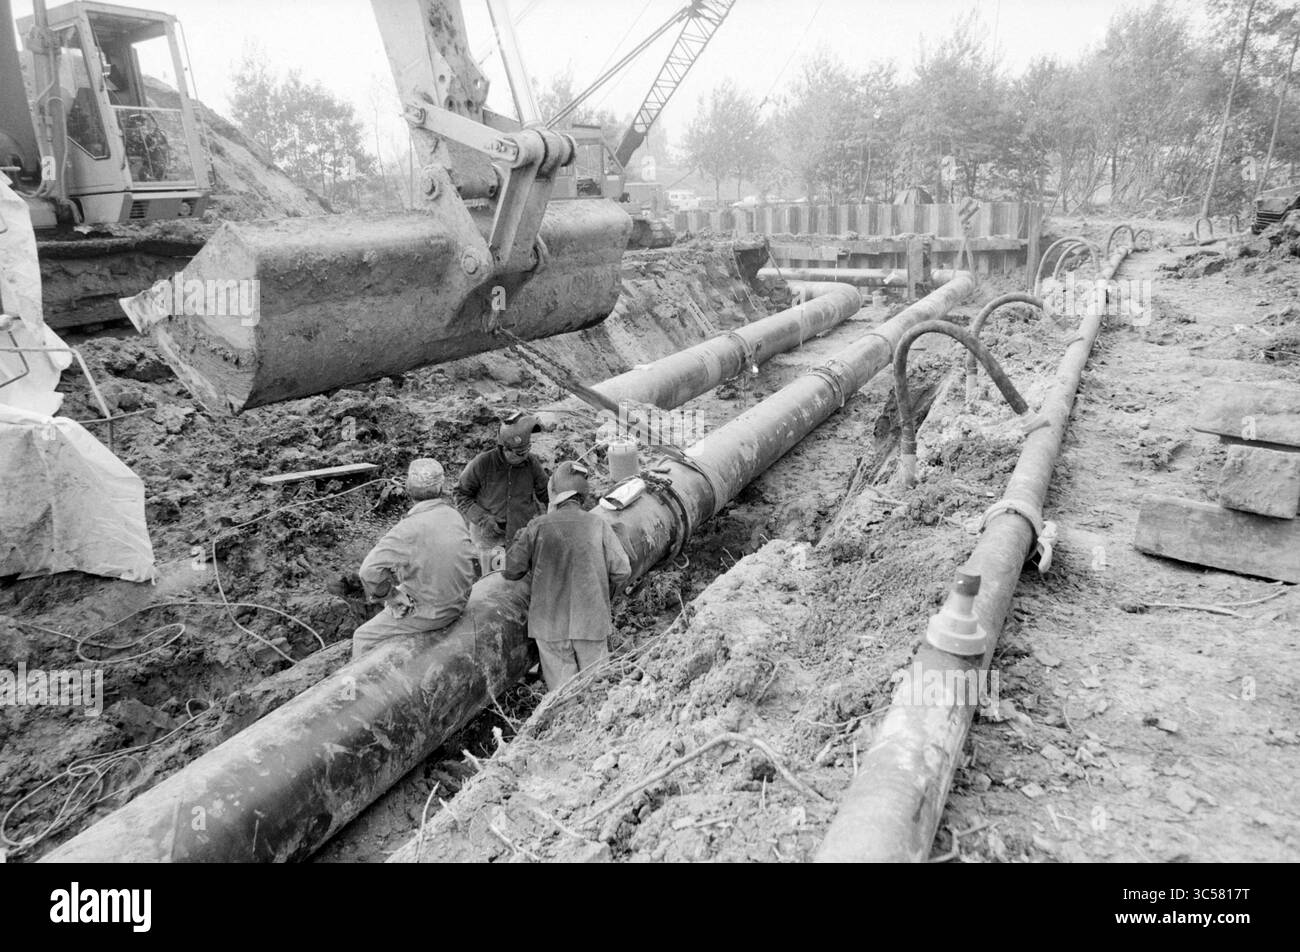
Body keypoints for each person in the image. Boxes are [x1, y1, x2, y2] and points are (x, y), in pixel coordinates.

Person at [503, 461, 632, 692]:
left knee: (565, 697)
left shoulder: (537, 526)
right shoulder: (598, 524)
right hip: (591, 621)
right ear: (583, 495)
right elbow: (622, 570)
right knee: (599, 689)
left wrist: (522, 540)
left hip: (550, 625)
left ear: (554, 493)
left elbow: (511, 570)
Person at [352, 458, 475, 660]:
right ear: (441, 486)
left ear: (408, 487)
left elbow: (368, 571)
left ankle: (362, 688)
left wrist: (391, 596)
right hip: (460, 599)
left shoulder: (408, 529)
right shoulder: (453, 515)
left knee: (363, 637)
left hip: (436, 612)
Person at [453, 411, 549, 574]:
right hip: (490, 539)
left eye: (527, 450)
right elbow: (461, 495)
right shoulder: (483, 464)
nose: (525, 456)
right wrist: (483, 519)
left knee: (519, 580)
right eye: (520, 453)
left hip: (520, 536)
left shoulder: (531, 463)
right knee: (492, 581)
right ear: (506, 449)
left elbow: (546, 493)